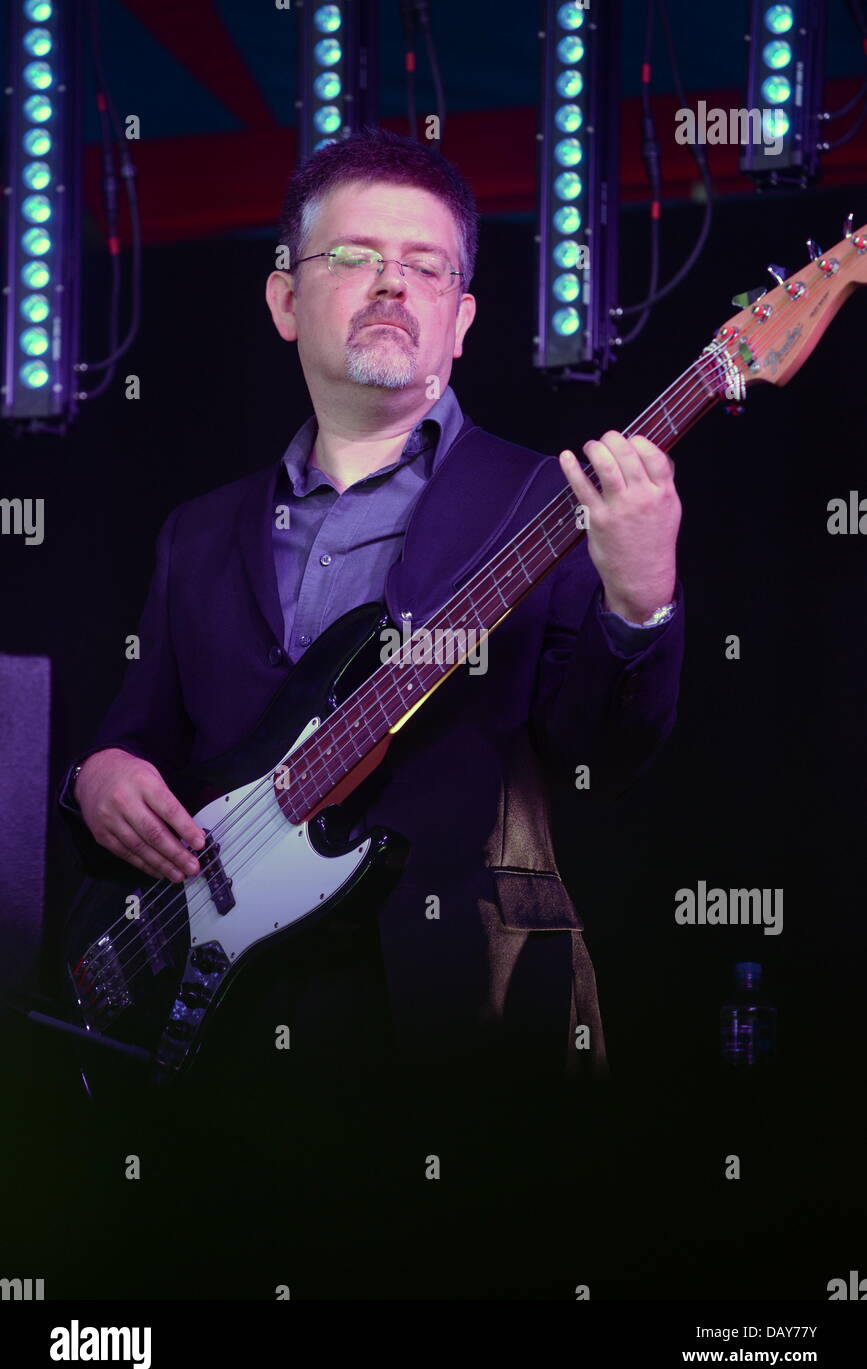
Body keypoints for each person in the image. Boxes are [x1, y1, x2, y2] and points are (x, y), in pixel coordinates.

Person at [57, 126, 684, 1100]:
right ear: (284, 298)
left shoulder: (544, 504)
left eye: (425, 267)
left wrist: (639, 602)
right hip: (215, 1051)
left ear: (462, 318)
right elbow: (142, 737)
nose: (391, 283)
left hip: (452, 1025)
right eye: (352, 256)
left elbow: (600, 759)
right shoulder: (197, 530)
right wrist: (96, 778)